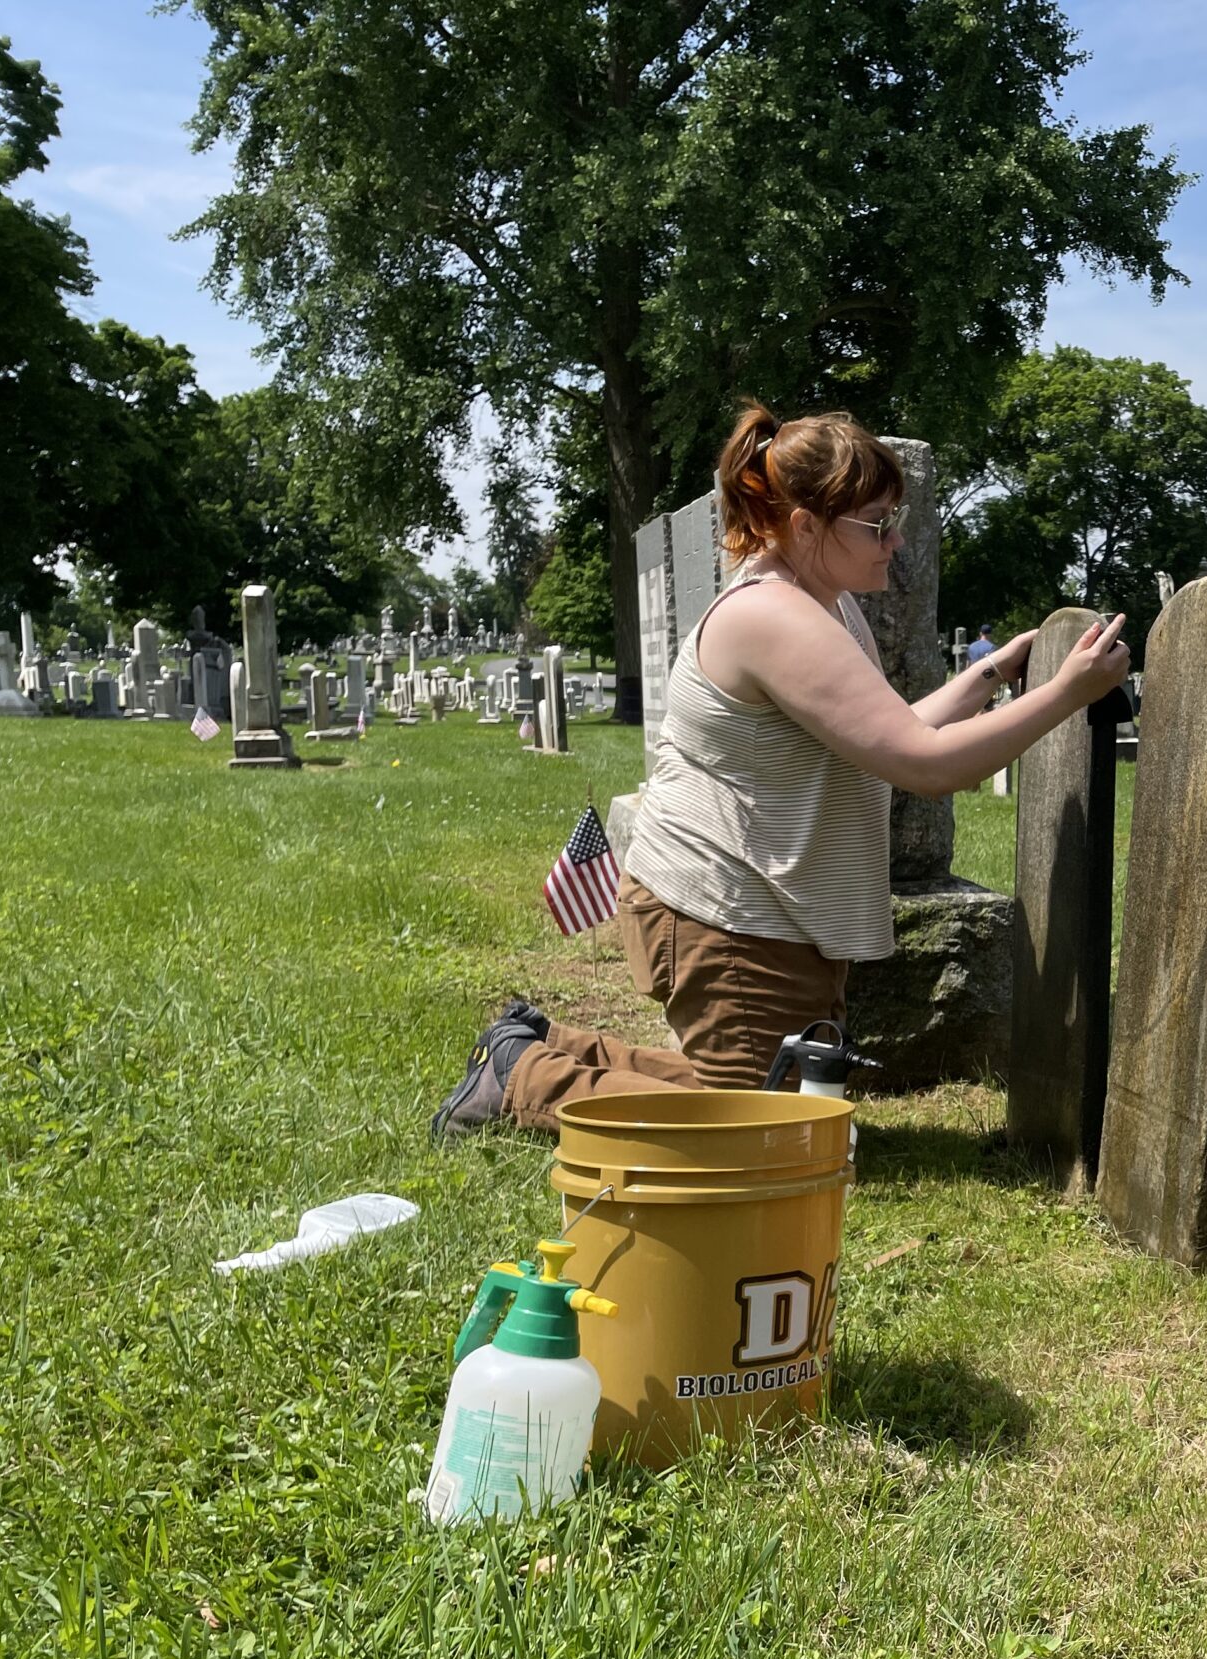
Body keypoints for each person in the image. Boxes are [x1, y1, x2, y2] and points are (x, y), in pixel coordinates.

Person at [433, 404, 1131, 1136]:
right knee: (769, 1133)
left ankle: (540, 1048)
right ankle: (523, 1080)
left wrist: (992, 671)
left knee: (791, 1107)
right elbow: (924, 766)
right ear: (805, 525)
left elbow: (892, 734)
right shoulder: (772, 617)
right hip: (729, 913)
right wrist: (1065, 694)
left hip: (770, 907)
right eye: (877, 523)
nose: (897, 543)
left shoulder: (819, 603)